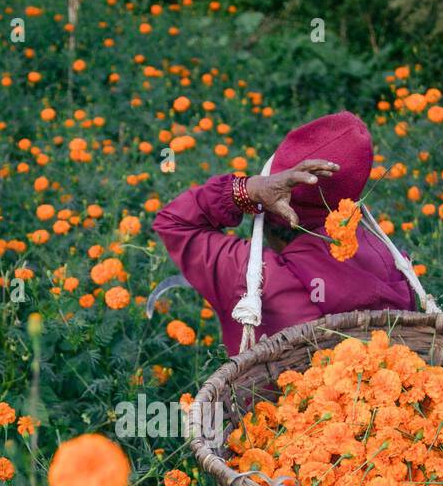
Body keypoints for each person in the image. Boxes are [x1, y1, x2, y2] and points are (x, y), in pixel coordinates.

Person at [153, 111, 416, 356]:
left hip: (267, 406)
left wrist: (248, 191)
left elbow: (174, 221)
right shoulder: (391, 261)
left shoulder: (252, 276)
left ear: (274, 198)